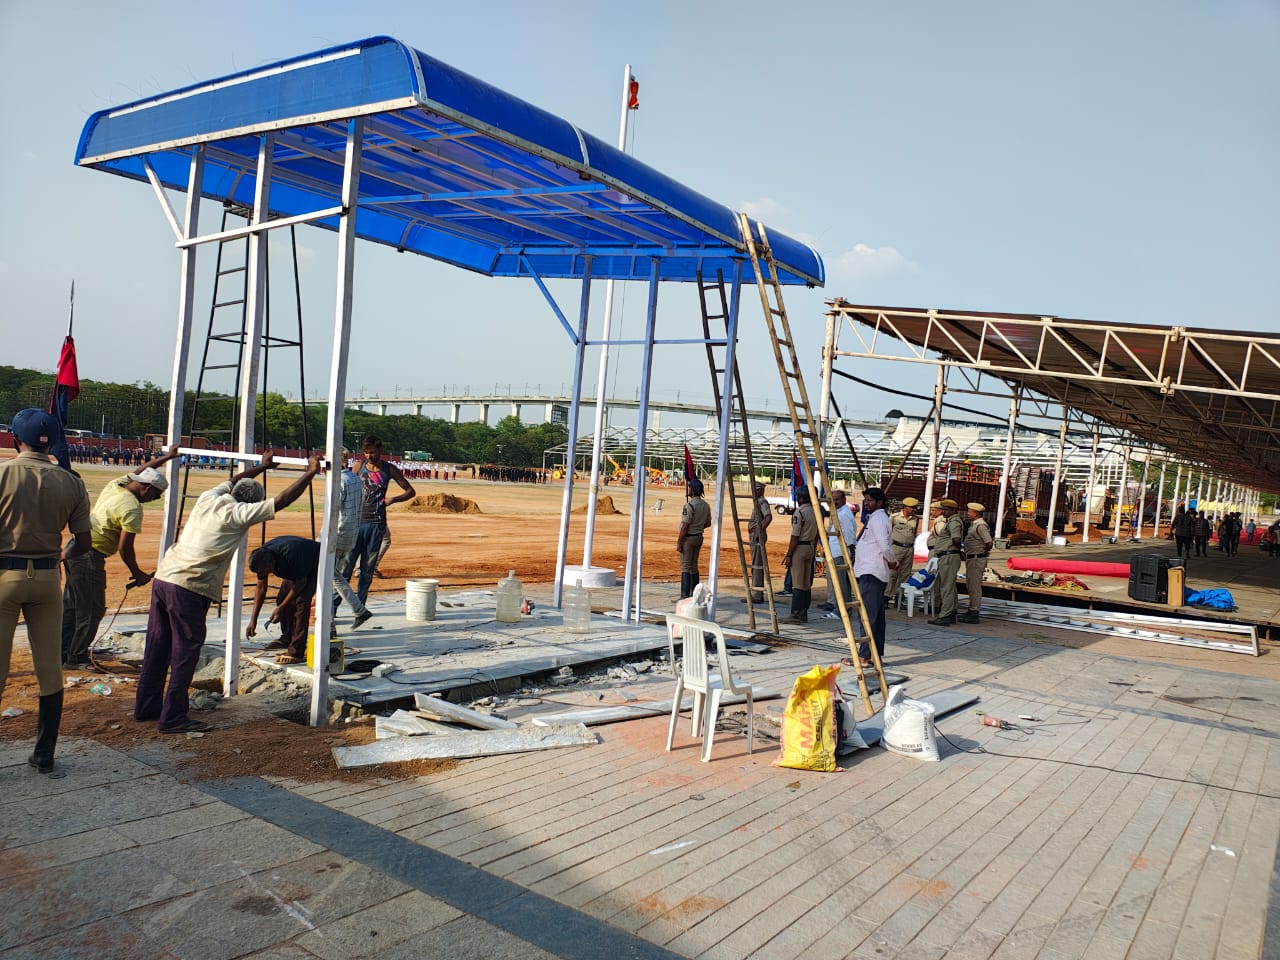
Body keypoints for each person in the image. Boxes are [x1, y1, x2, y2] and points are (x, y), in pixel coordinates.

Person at [134, 452, 322, 734]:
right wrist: (310, 473)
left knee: (157, 647)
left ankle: (146, 707)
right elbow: (280, 501)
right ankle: (173, 717)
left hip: (165, 577)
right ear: (252, 503)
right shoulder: (239, 514)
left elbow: (234, 480)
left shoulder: (208, 497)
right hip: (190, 586)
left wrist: (262, 466)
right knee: (185, 652)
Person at [1, 409, 93, 775]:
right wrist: (59, 556)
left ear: (14, 439)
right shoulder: (71, 481)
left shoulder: (3, 473)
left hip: (3, 574)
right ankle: (44, 753)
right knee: (50, 671)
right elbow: (82, 542)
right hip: (45, 577)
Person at [61, 444, 181, 668]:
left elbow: (142, 469)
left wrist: (167, 457)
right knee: (92, 610)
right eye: (155, 495)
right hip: (89, 557)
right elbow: (126, 548)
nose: (153, 499)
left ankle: (63, 652)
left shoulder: (115, 486)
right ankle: (75, 657)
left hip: (74, 548)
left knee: (72, 605)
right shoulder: (132, 509)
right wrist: (138, 573)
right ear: (146, 489)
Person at [340, 437, 415, 606]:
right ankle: (334, 607)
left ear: (380, 451)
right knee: (346, 568)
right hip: (356, 522)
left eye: (373, 452)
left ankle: (360, 606)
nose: (369, 455)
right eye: (366, 452)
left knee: (367, 570)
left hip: (376, 524)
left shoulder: (390, 469)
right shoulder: (358, 466)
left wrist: (393, 499)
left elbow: (410, 491)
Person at [247, 535, 322, 665]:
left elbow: (301, 583)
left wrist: (281, 608)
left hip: (316, 561)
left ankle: (296, 651)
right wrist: (253, 620)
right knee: (282, 598)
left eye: (266, 571)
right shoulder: (263, 558)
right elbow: (260, 588)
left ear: (272, 564)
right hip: (295, 566)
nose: (265, 574)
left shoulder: (291, 555)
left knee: (301, 604)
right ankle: (286, 638)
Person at [853, 487, 897, 666]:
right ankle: (874, 655)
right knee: (876, 617)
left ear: (879, 502)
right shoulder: (876, 518)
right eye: (865, 500)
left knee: (867, 616)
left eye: (870, 500)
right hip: (871, 570)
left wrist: (893, 562)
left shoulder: (879, 519)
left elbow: (884, 546)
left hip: (871, 572)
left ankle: (864, 657)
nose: (866, 503)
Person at [331, 451, 373, 633]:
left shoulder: (339, 482)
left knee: (329, 576)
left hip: (337, 533)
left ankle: (353, 611)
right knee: (335, 576)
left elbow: (333, 511)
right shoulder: (355, 479)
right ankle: (352, 611)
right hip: (350, 534)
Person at [781, 487, 819, 624]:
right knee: (806, 583)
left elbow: (795, 536)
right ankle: (803, 613)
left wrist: (789, 554)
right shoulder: (816, 511)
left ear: (801, 498)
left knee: (797, 583)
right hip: (810, 547)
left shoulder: (800, 512)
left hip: (800, 547)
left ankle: (795, 615)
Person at [927, 498, 964, 626]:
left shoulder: (954, 522)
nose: (943, 512)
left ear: (953, 510)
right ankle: (952, 611)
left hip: (948, 556)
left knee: (946, 587)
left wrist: (958, 550)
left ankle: (945, 615)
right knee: (950, 586)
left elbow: (956, 539)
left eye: (946, 510)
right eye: (943, 509)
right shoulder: (951, 521)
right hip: (948, 555)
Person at [957, 502, 994, 623]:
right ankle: (971, 609)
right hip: (972, 558)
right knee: (970, 584)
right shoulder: (974, 524)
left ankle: (974, 611)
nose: (968, 513)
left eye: (969, 511)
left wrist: (982, 552)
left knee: (974, 586)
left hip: (977, 558)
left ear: (976, 513)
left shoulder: (980, 525)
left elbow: (988, 542)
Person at [676, 477, 711, 599]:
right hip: (699, 537)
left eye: (690, 487)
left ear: (694, 490)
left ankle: (685, 596)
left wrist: (679, 542)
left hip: (689, 538)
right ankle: (694, 594)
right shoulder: (705, 505)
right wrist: (698, 526)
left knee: (685, 566)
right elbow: (708, 523)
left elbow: (685, 525)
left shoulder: (689, 505)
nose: (688, 489)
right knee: (694, 565)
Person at [824, 489, 859, 611]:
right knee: (839, 583)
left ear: (844, 500)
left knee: (841, 584)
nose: (835, 502)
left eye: (837, 500)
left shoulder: (843, 514)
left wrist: (852, 552)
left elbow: (849, 536)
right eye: (833, 500)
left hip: (840, 553)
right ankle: (840, 609)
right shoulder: (838, 513)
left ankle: (842, 611)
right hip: (836, 552)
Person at [887, 496, 920, 606]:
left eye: (914, 508)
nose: (914, 510)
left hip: (909, 548)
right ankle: (887, 596)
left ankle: (899, 596)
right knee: (892, 573)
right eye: (912, 507)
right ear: (905, 507)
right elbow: (887, 532)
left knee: (905, 574)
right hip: (896, 547)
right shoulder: (894, 517)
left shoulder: (915, 519)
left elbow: (914, 532)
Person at [747, 482, 772, 603]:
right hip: (755, 534)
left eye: (755, 490)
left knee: (757, 565)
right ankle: (757, 593)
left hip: (757, 536)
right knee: (756, 564)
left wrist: (758, 531)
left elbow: (768, 517)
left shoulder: (762, 502)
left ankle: (756, 594)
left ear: (761, 490)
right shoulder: (758, 502)